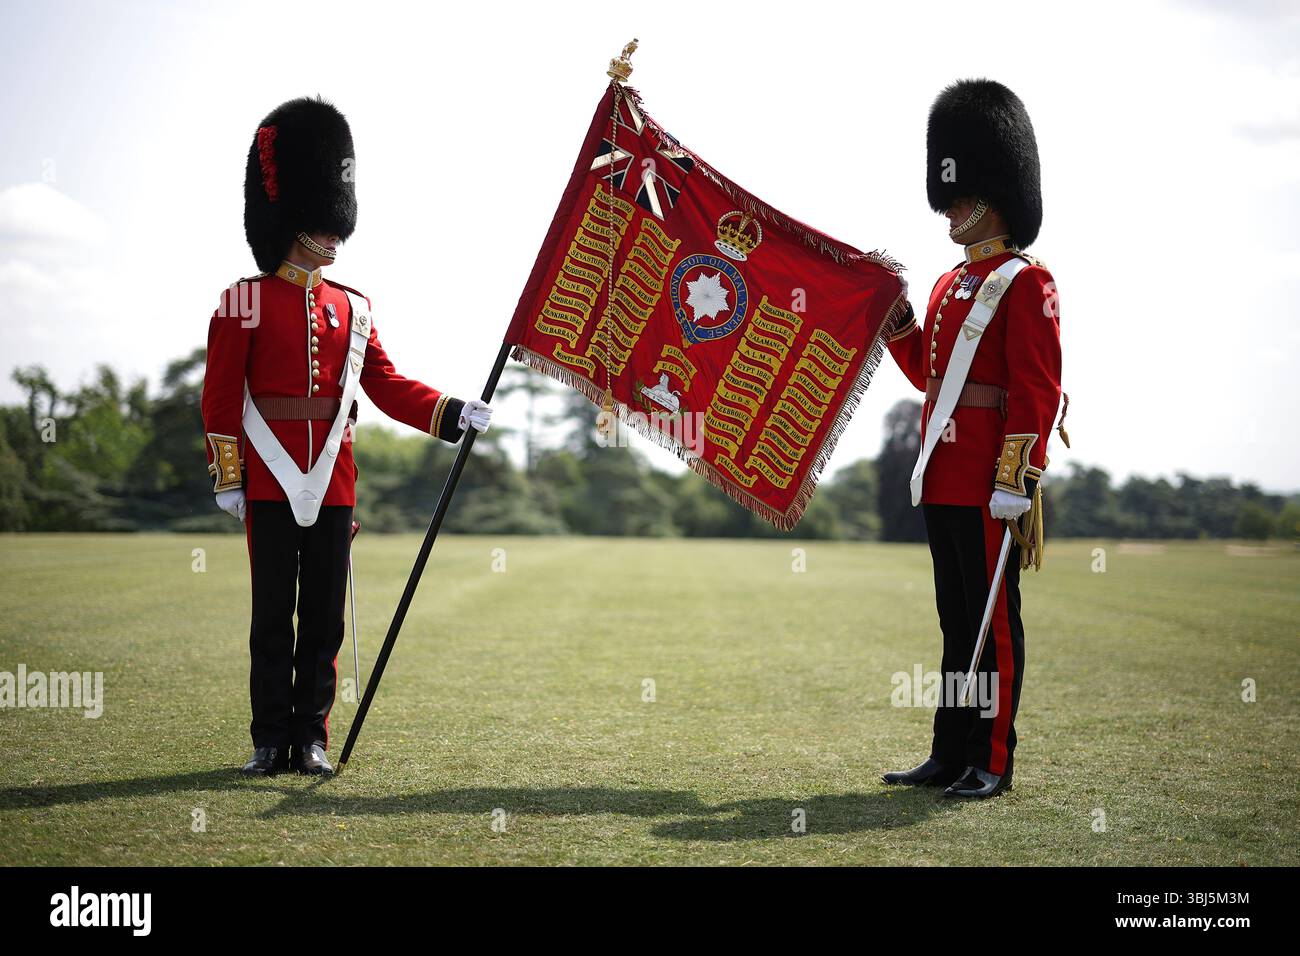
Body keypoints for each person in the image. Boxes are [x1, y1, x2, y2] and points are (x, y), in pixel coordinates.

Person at [202, 96, 493, 776]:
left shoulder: (353, 307)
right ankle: (269, 738)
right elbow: (219, 398)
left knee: (325, 622)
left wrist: (452, 413)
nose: (333, 238)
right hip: (270, 479)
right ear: (291, 219)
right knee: (273, 619)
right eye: (321, 225)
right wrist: (229, 477)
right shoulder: (243, 300)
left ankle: (311, 739)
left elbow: (385, 386)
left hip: (332, 481)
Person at [881, 79, 1063, 798]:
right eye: (948, 195)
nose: (951, 207)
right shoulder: (949, 283)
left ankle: (991, 758)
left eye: (961, 196)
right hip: (943, 473)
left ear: (996, 195)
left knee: (996, 632)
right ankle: (947, 753)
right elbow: (932, 375)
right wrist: (895, 320)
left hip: (990, 480)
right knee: (957, 625)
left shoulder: (1025, 281)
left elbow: (1036, 389)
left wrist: (1015, 478)